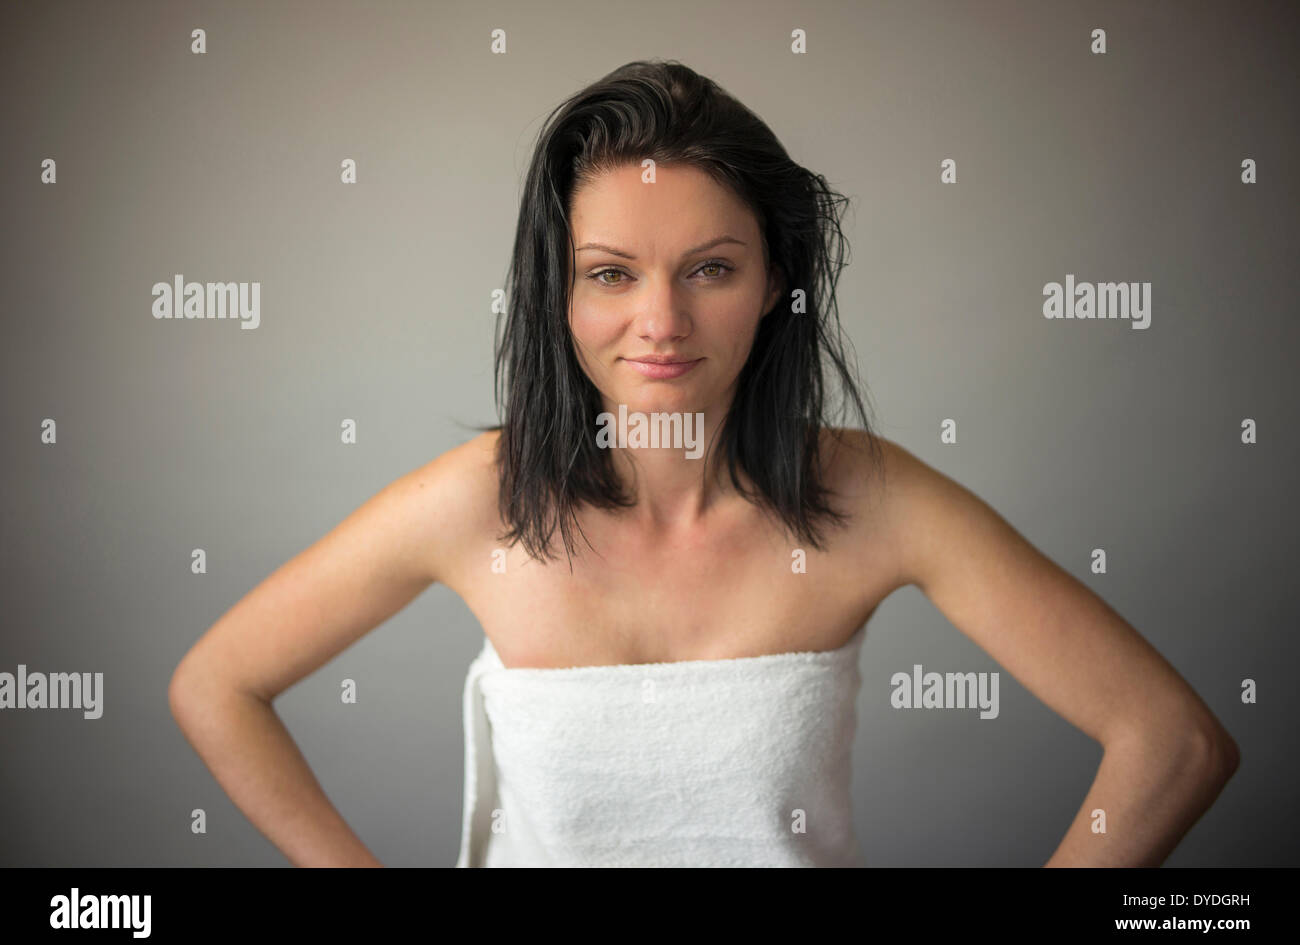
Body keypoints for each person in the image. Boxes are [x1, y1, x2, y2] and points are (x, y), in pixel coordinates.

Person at [168, 60, 1239, 868]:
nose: (660, 321)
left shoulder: (871, 497)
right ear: (561, 297)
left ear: (775, 281)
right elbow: (215, 683)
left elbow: (1175, 742)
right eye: (611, 273)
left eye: (711, 268)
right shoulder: (480, 501)